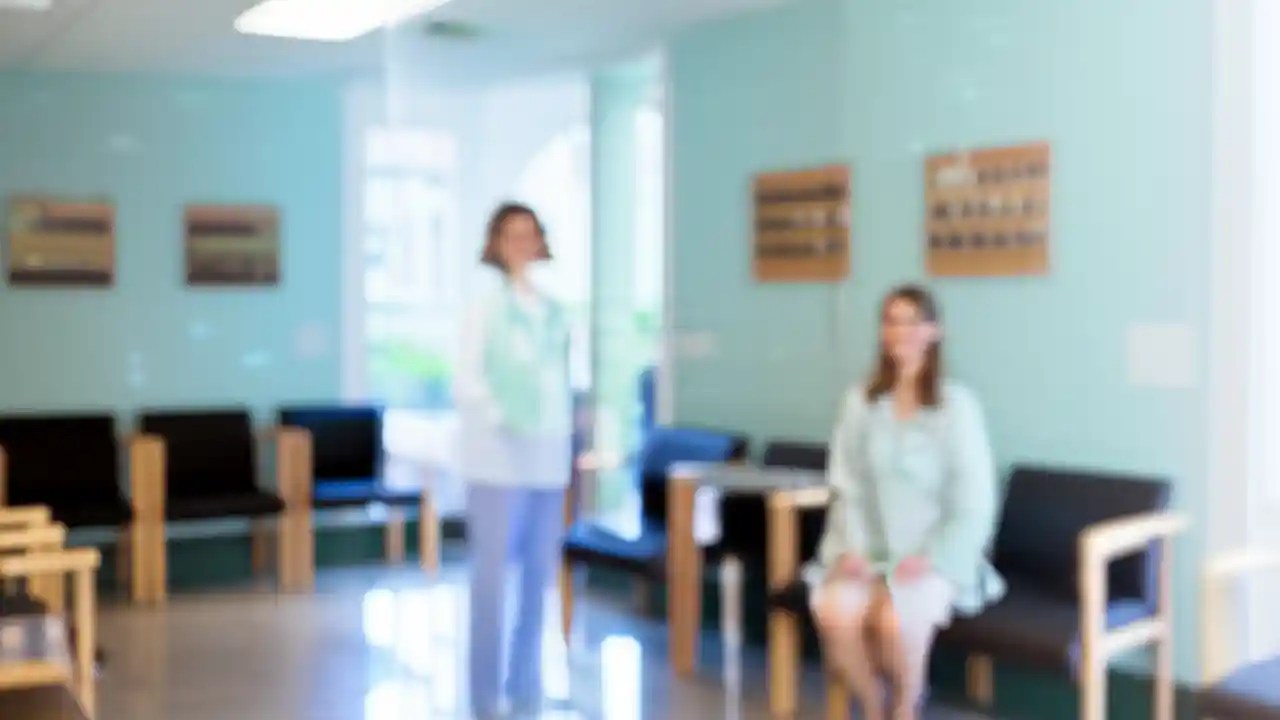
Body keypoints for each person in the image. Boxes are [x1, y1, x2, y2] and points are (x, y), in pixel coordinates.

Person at [808, 284, 1005, 720]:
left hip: (933, 557)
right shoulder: (860, 402)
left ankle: (906, 702)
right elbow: (847, 485)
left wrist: (931, 556)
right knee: (835, 615)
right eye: (891, 321)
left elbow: (975, 503)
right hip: (867, 551)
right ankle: (875, 706)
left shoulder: (958, 406)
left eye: (913, 321)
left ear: (934, 331)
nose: (902, 332)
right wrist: (852, 549)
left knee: (892, 622)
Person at [455, 202, 572, 719]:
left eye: (530, 234)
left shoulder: (553, 311)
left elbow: (560, 384)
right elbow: (468, 383)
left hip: (548, 461)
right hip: (496, 463)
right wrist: (505, 415)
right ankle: (484, 701)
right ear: (495, 244)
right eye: (511, 235)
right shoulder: (484, 309)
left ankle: (525, 694)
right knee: (492, 585)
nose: (522, 244)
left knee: (537, 582)